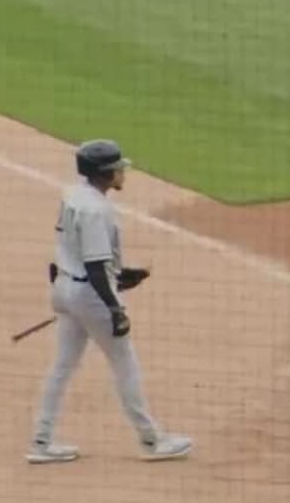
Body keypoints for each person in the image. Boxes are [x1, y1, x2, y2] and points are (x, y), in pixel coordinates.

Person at [26, 139, 193, 464]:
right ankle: (151, 440)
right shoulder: (98, 210)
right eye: (117, 168)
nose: (122, 172)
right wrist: (115, 307)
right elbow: (94, 266)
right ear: (104, 174)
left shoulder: (73, 194)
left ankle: (41, 441)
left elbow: (82, 254)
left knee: (61, 367)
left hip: (63, 286)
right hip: (89, 294)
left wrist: (120, 274)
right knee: (125, 365)